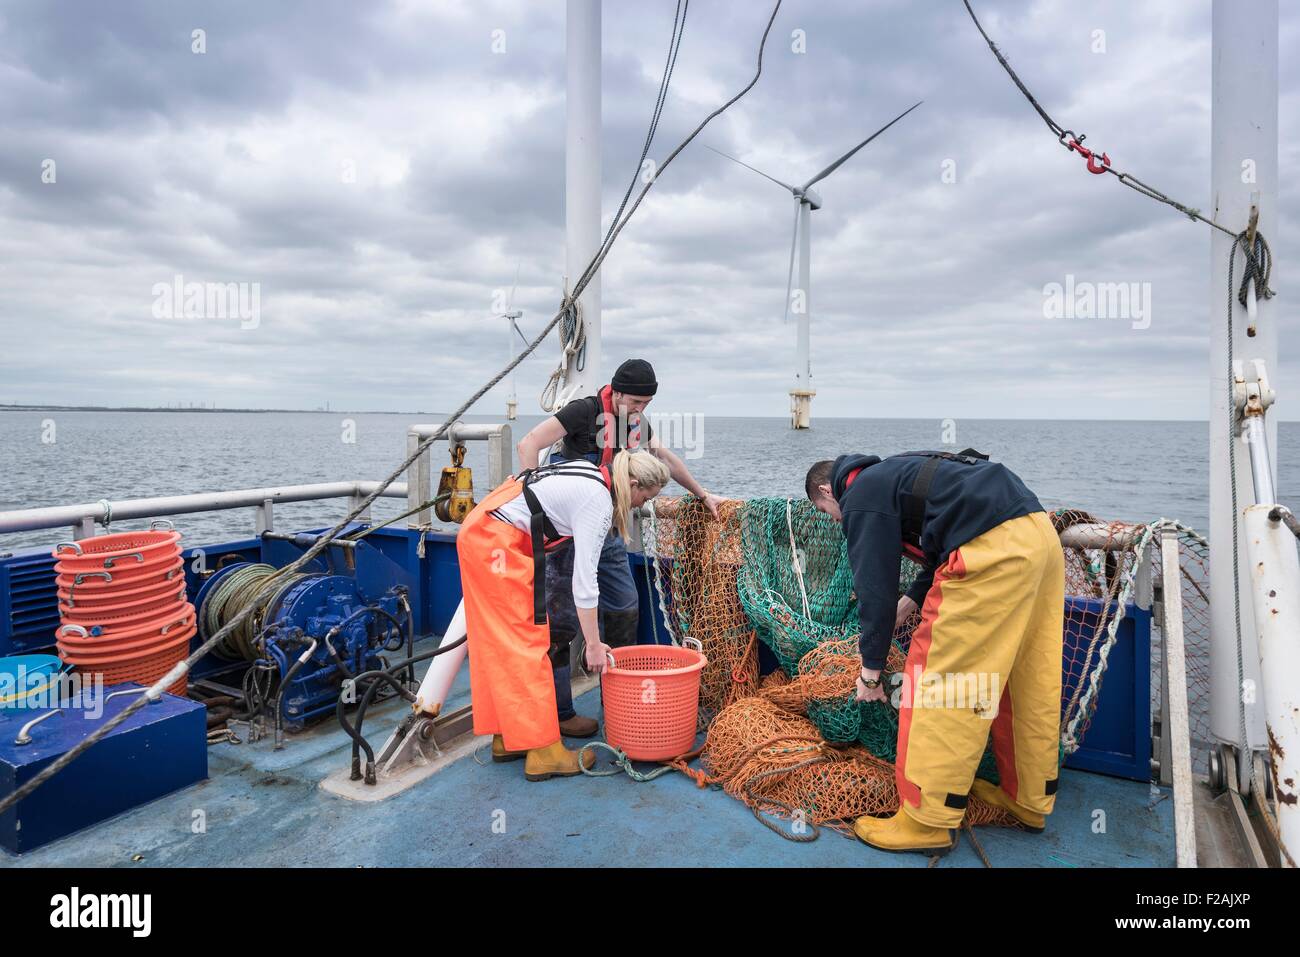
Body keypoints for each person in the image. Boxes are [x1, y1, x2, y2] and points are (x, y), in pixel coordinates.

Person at [805, 449, 1064, 855]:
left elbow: (874, 589)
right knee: (1027, 679)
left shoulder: (860, 495)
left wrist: (870, 672)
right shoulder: (894, 474)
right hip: (1038, 537)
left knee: (937, 687)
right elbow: (939, 543)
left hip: (989, 551)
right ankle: (1027, 798)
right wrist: (910, 601)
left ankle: (927, 820)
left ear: (827, 489)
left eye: (826, 511)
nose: (835, 520)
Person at [516, 358, 722, 738]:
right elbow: (529, 443)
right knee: (559, 625)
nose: (641, 411)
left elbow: (665, 460)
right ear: (618, 392)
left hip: (607, 527)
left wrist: (702, 493)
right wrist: (535, 507)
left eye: (647, 405)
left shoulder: (636, 423)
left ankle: (616, 701)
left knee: (626, 605)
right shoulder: (584, 411)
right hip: (563, 533)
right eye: (637, 403)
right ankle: (562, 713)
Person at [457, 449, 670, 781]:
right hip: (496, 543)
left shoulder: (589, 472)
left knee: (501, 645)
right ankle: (543, 752)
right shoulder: (597, 503)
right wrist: (596, 646)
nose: (641, 505)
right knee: (529, 644)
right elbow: (584, 584)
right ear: (631, 483)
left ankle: (508, 737)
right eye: (645, 496)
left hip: (484, 532)